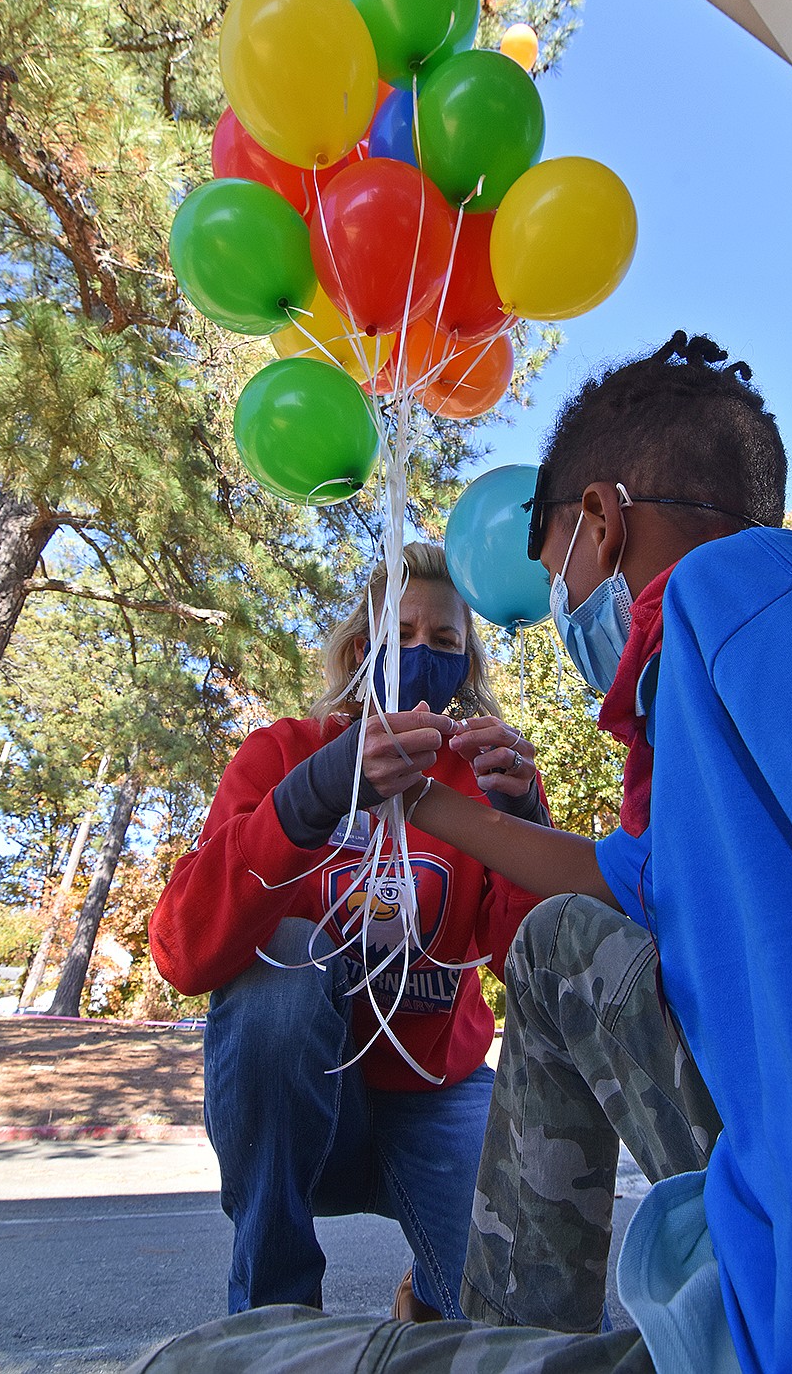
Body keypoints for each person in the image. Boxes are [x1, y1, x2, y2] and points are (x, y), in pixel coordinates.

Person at [131, 330, 792, 1373]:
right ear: (358, 647)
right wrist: (342, 800)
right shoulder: (694, 706)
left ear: (604, 526)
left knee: (201, 1363)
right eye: (413, 636)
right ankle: (283, 1293)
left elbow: (545, 933)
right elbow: (616, 884)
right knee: (325, 985)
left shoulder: (735, 605)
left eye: (548, 581)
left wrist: (506, 805)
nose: (562, 613)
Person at [149, 542, 546, 1324]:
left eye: (446, 643)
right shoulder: (284, 754)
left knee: (537, 1315)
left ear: (465, 665)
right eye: (404, 636)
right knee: (287, 957)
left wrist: (529, 831)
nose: (424, 657)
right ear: (363, 650)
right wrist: (309, 800)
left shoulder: (480, 773)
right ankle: (274, 1315)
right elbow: (183, 952)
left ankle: (433, 1302)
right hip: (301, 1099)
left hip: (437, 1092)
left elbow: (526, 968)